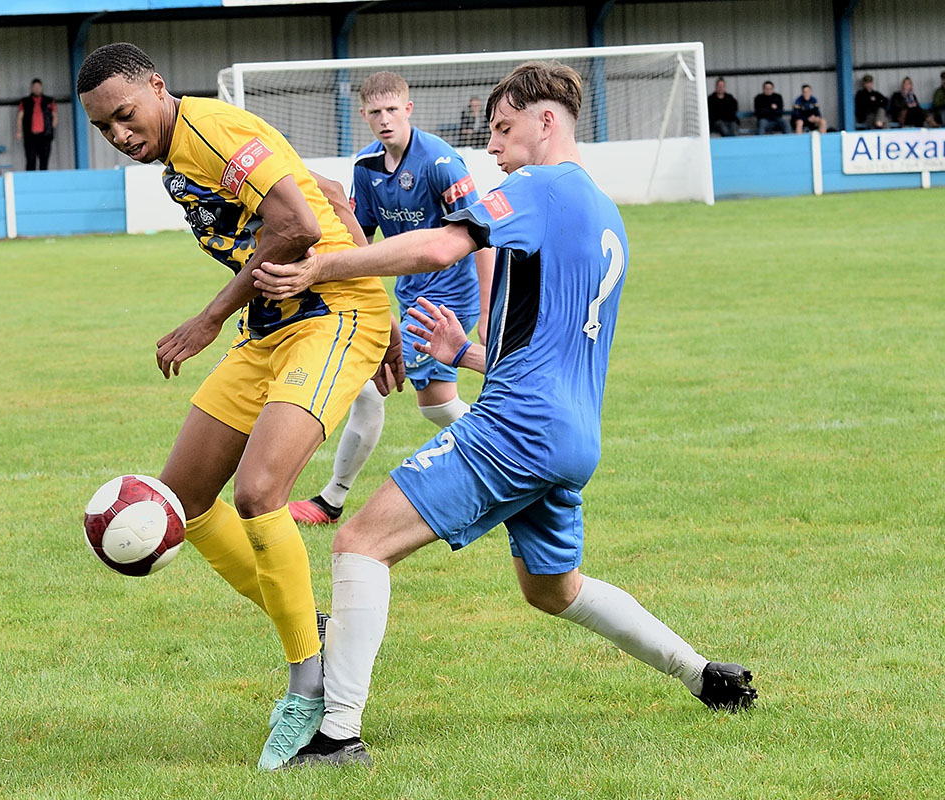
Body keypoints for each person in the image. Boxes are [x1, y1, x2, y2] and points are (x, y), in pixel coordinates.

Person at [253, 61, 758, 768]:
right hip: (571, 436)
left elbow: (441, 244)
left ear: (546, 121)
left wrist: (320, 269)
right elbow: (550, 344)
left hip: (517, 427)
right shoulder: (604, 213)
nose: (491, 145)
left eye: (503, 127)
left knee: (359, 543)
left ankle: (337, 735)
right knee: (553, 589)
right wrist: (463, 353)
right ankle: (703, 674)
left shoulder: (539, 186)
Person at [76, 42, 395, 771]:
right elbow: (328, 192)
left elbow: (299, 225)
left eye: (125, 114)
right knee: (184, 499)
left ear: (157, 87)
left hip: (331, 315)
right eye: (103, 128)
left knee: (258, 492)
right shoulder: (176, 158)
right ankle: (310, 628)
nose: (120, 134)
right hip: (276, 323)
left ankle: (308, 686)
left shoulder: (213, 131)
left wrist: (210, 317)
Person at [289, 71, 493, 526]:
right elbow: (359, 238)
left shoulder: (440, 162)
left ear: (408, 110)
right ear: (364, 115)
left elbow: (483, 236)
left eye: (392, 110)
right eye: (376, 112)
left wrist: (487, 307)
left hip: (449, 296)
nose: (385, 120)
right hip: (409, 295)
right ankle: (331, 501)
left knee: (434, 403)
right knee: (368, 388)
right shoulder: (365, 167)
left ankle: (515, 458)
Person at [16, 79, 58, 170]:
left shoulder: (49, 101)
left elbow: (55, 116)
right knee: (30, 161)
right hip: (30, 136)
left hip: (45, 136)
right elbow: (20, 117)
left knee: (44, 162)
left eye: (38, 87)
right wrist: (19, 131)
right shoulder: (25, 101)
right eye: (35, 87)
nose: (37, 89)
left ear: (41, 87)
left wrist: (51, 128)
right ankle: (30, 179)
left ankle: (43, 179)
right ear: (31, 88)